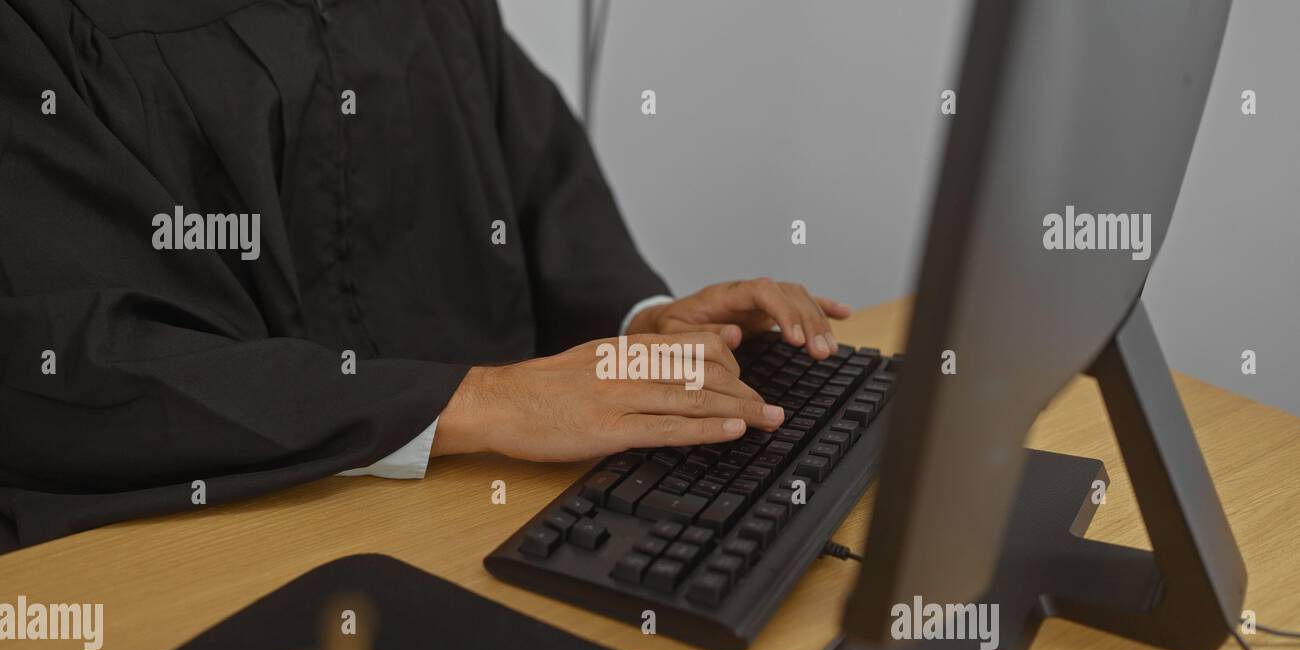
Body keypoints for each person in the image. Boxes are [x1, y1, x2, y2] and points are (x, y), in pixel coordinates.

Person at [0, 0, 849, 552]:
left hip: (490, 510)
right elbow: (82, 354)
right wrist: (473, 401)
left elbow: (534, 170)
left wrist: (640, 322)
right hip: (214, 538)